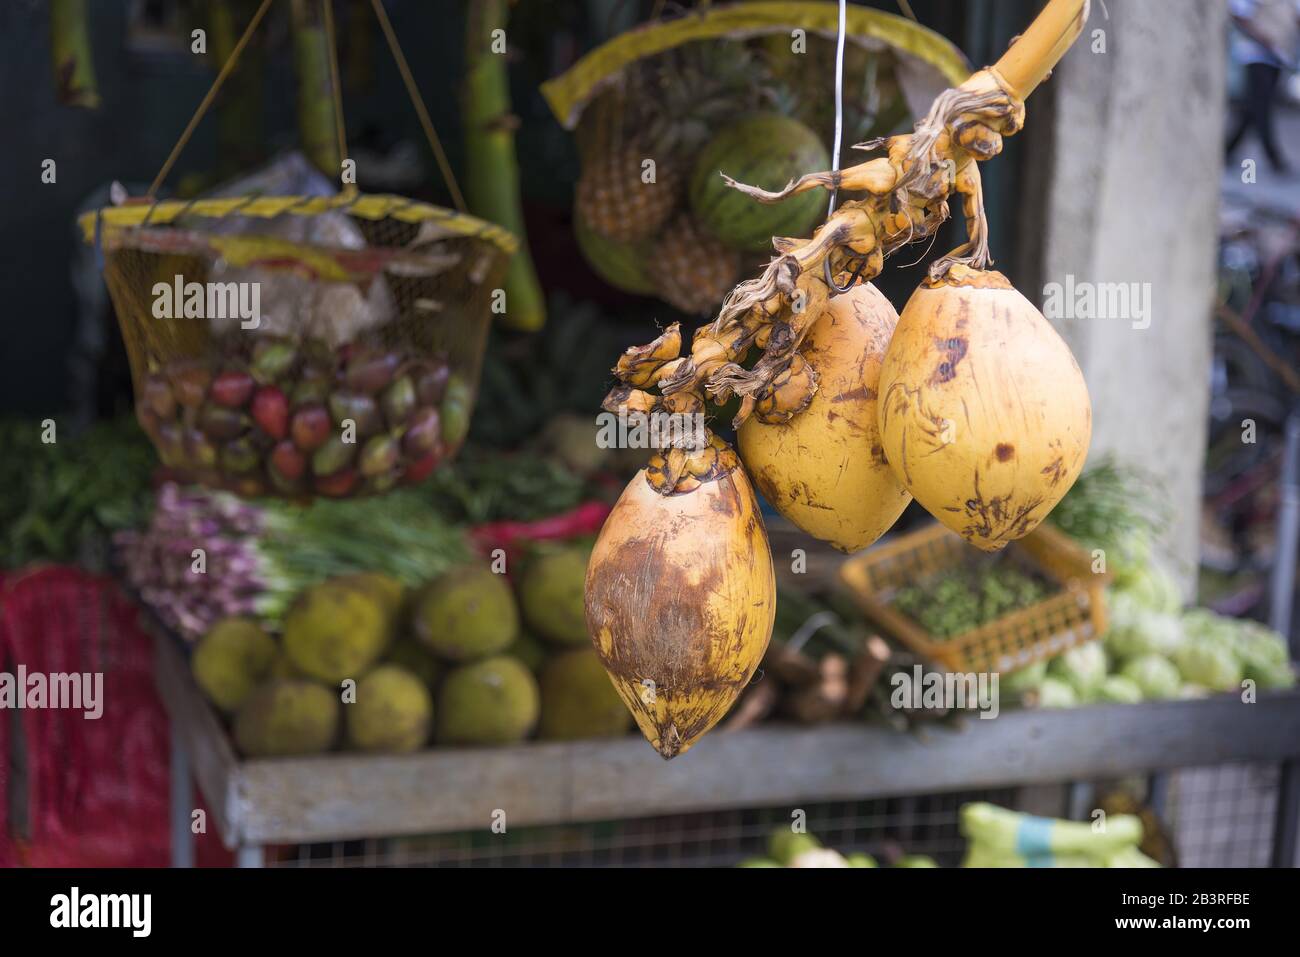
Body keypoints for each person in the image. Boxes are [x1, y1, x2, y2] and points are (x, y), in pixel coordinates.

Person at [1226, 0, 1300, 174]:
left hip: (1279, 55)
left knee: (1253, 108)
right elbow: (1239, 14)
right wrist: (1263, 38)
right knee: (1262, 106)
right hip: (1256, 54)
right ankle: (1274, 158)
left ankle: (1227, 150)